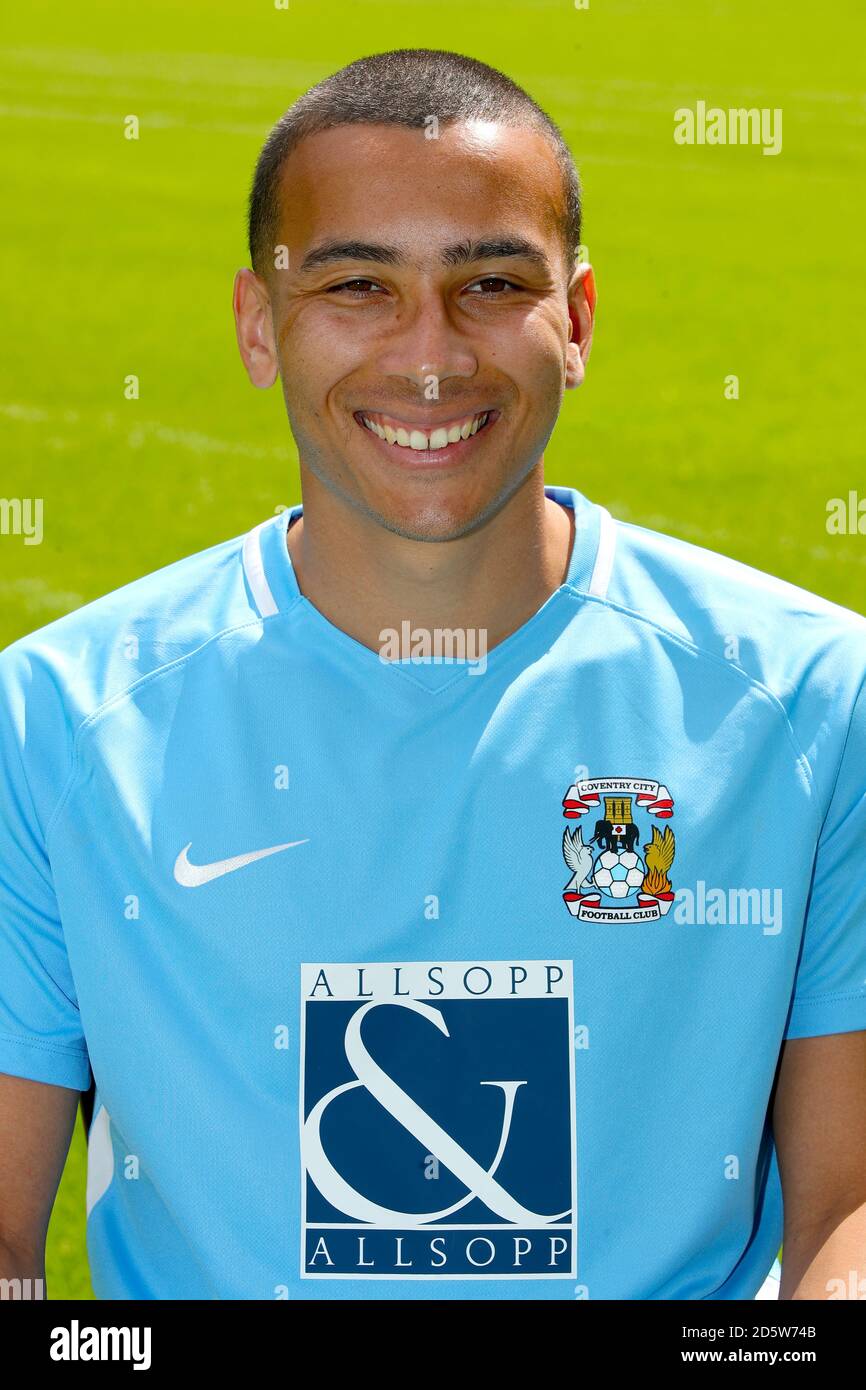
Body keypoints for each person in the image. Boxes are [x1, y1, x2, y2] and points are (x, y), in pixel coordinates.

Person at [1, 48, 864, 1302]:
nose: (428, 357)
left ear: (573, 320)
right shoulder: (53, 723)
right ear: (259, 324)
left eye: (489, 282)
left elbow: (847, 1208)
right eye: (357, 283)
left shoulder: (810, 699)